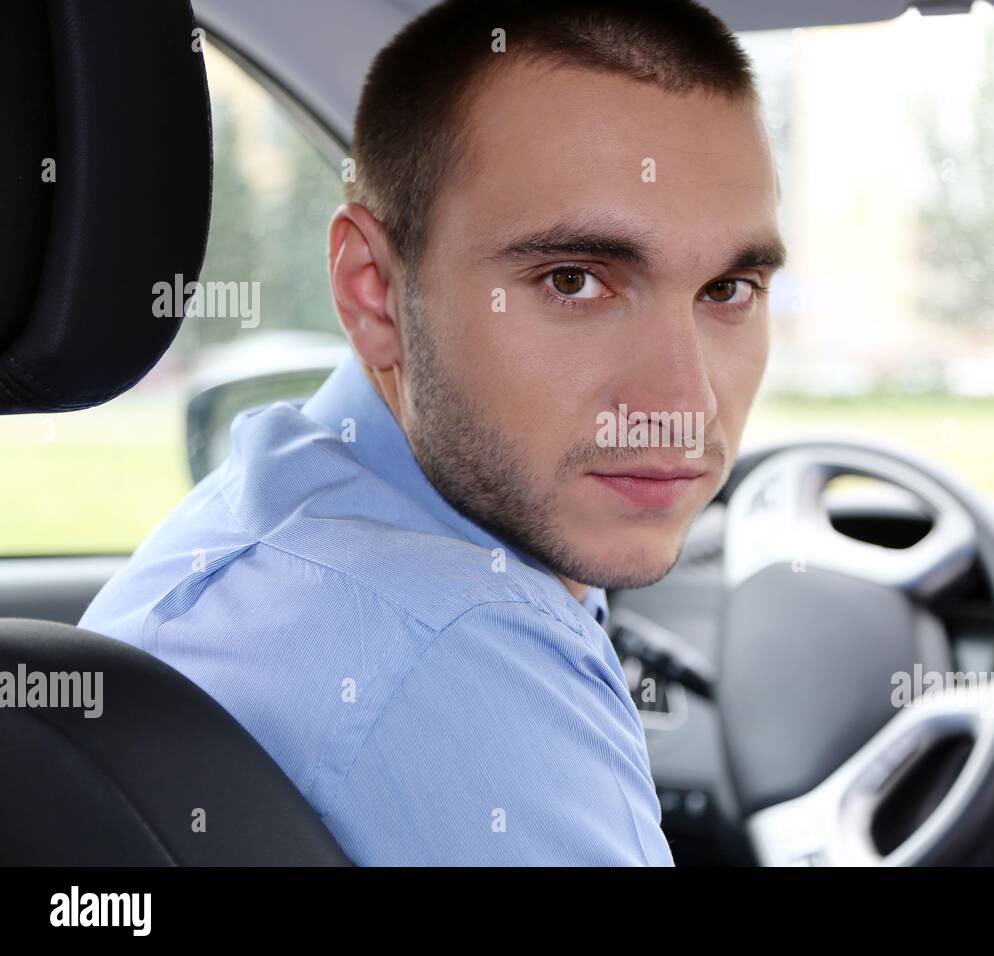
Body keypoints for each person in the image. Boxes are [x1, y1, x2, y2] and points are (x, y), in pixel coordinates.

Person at [81, 0, 785, 865]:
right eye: (573, 280)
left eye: (727, 290)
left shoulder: (268, 510)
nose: (684, 402)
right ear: (373, 290)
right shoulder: (459, 648)